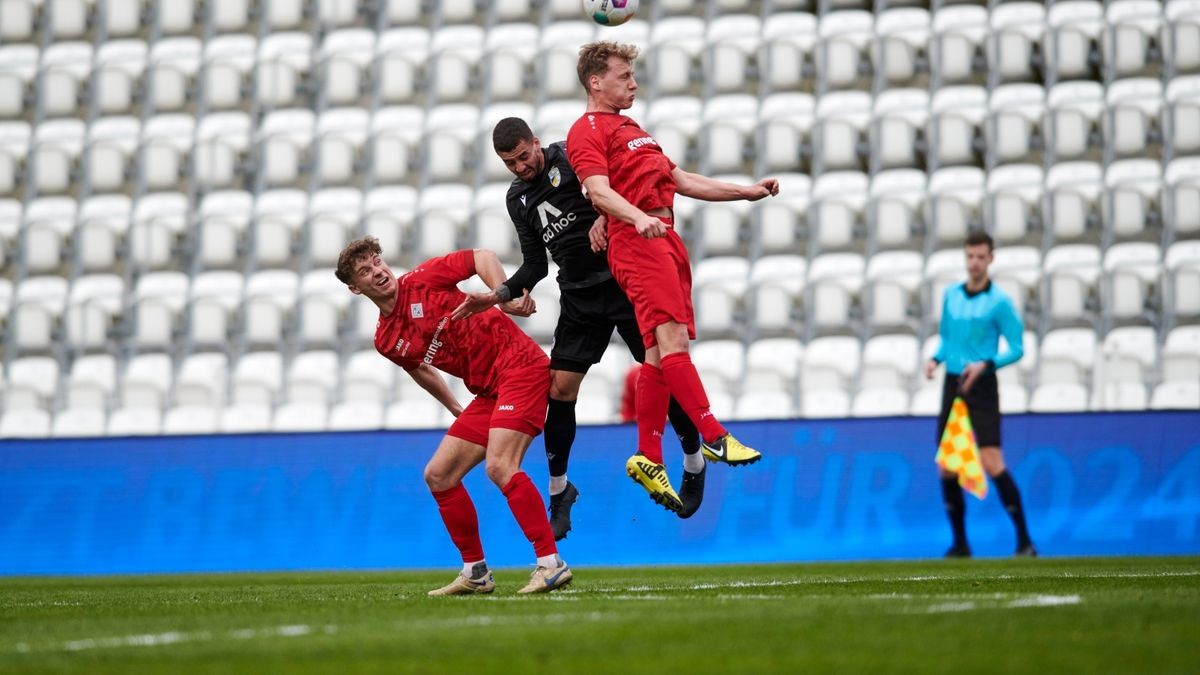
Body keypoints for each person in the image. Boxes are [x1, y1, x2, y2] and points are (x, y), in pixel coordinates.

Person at [456, 117, 706, 537]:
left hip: (623, 282)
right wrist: (498, 296)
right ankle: (559, 490)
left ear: (536, 143)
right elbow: (535, 264)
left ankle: (694, 461)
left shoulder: (572, 157)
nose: (520, 167)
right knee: (560, 389)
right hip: (579, 297)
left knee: (661, 371)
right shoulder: (518, 198)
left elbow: (622, 193)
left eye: (523, 157)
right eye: (510, 163)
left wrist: (605, 217)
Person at [563, 41, 779, 512]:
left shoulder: (633, 130)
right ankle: (713, 435)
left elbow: (680, 180)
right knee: (673, 340)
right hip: (639, 241)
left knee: (658, 354)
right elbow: (597, 191)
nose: (634, 83)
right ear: (596, 82)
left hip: (663, 238)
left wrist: (745, 192)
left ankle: (648, 455)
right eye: (624, 76)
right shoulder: (585, 130)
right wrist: (635, 217)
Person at [335, 237, 573, 595]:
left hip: (520, 368)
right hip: (488, 392)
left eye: (377, 262)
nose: (378, 272)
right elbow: (419, 368)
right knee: (439, 475)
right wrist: (454, 407)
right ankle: (475, 572)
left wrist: (502, 296)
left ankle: (551, 564)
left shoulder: (424, 278)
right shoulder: (386, 339)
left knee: (500, 466)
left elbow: (482, 256)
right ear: (355, 288)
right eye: (365, 271)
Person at [923, 230, 1037, 558]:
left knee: (991, 460)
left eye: (980, 257)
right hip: (954, 383)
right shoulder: (951, 296)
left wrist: (987, 364)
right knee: (947, 465)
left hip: (982, 385)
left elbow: (1016, 348)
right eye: (970, 256)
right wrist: (935, 359)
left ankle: (1024, 541)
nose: (974, 263)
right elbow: (947, 339)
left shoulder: (999, 302)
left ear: (991, 259)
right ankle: (960, 544)